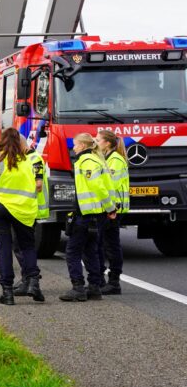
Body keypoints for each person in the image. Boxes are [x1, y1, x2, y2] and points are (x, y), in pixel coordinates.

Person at [0, 128, 42, 305]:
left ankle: (7, 292)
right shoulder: (29, 160)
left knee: (4, 248)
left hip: (0, 207)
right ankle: (33, 282)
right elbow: (38, 185)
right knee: (28, 247)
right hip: (23, 210)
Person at [59, 133, 117, 302]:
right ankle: (94, 287)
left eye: (75, 145)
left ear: (83, 146)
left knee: (72, 251)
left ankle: (78, 288)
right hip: (96, 214)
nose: (73, 148)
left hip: (86, 214)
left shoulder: (86, 162)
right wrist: (108, 208)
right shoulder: (97, 159)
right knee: (90, 250)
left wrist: (110, 208)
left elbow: (98, 187)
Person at [13, 137, 48, 296]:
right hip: (26, 207)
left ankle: (31, 280)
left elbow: (37, 184)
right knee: (21, 246)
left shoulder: (33, 158)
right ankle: (28, 279)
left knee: (23, 246)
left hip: (29, 207)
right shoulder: (28, 158)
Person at [96, 129, 129, 295]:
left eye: (98, 140)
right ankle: (102, 279)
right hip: (109, 207)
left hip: (114, 208)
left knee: (111, 245)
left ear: (107, 143)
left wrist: (109, 208)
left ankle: (114, 281)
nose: (96, 142)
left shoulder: (115, 160)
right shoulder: (107, 158)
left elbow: (111, 185)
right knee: (103, 243)